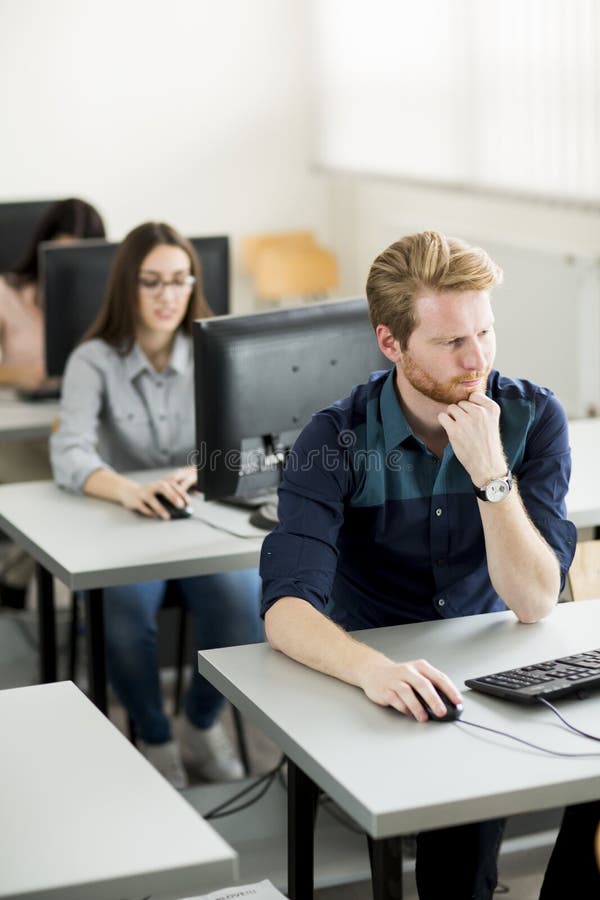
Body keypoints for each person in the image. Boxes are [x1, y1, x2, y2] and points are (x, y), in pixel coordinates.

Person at [260, 231, 577, 900]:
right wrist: (375, 670)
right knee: (456, 856)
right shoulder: (334, 438)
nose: (478, 358)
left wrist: (491, 473)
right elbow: (287, 609)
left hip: (493, 664)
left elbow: (535, 602)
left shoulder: (533, 417)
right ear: (391, 343)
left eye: (486, 332)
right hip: (375, 676)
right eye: (451, 342)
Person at [51, 221, 262, 789]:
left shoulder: (213, 352)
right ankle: (155, 737)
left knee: (247, 609)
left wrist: (203, 467)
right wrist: (128, 489)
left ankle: (199, 721)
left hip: (198, 525)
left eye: (178, 280)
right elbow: (69, 450)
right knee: (122, 618)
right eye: (152, 282)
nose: (168, 295)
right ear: (127, 287)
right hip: (123, 524)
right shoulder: (93, 359)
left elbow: (247, 439)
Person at [0, 198, 106, 608]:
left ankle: (22, 576)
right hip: (20, 439)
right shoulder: (8, 292)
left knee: (88, 482)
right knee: (69, 491)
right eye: (58, 253)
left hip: (80, 428)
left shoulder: (104, 297)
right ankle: (33, 582)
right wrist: (16, 373)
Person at [0, 197, 106, 389]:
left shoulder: (109, 300)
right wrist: (19, 374)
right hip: (27, 412)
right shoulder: (6, 294)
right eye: (61, 257)